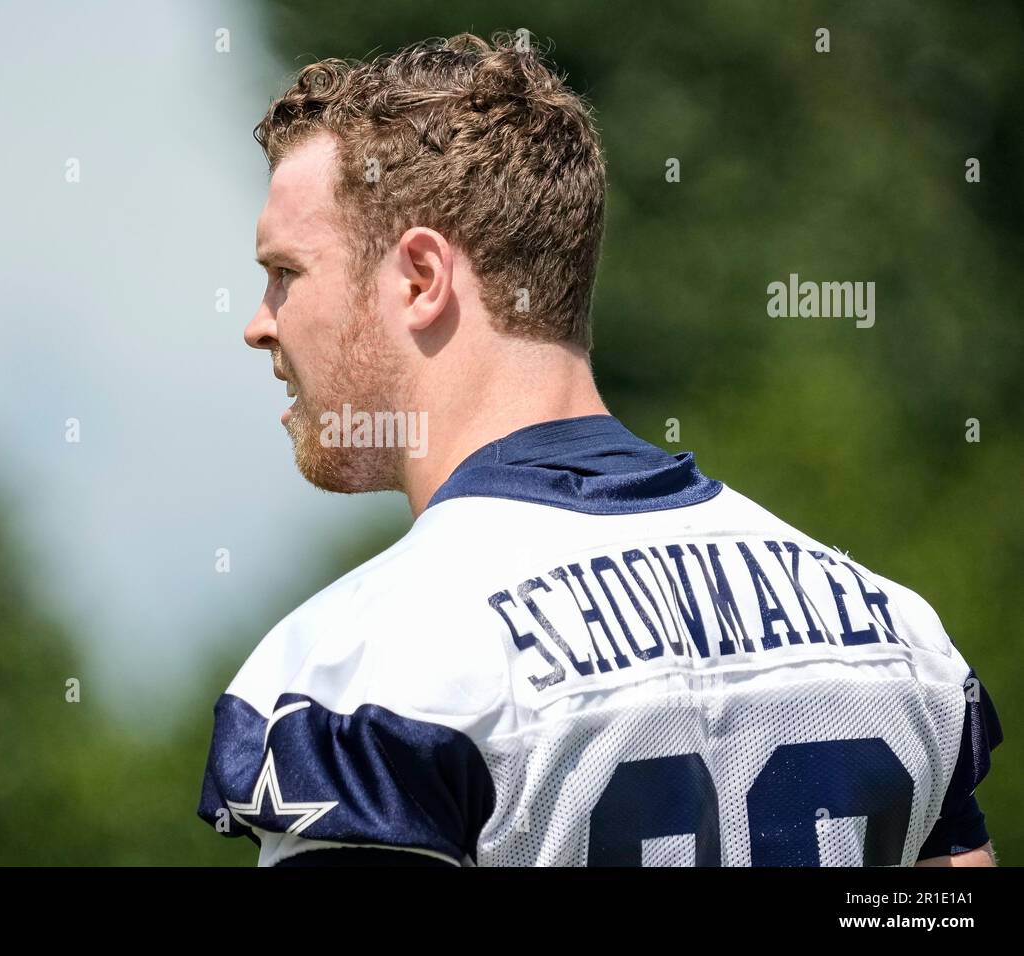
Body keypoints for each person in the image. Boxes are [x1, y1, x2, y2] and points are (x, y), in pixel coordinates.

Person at [197, 32, 1002, 867]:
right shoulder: (893, 631)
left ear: (420, 279)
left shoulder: (370, 666)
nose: (260, 322)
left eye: (285, 272)